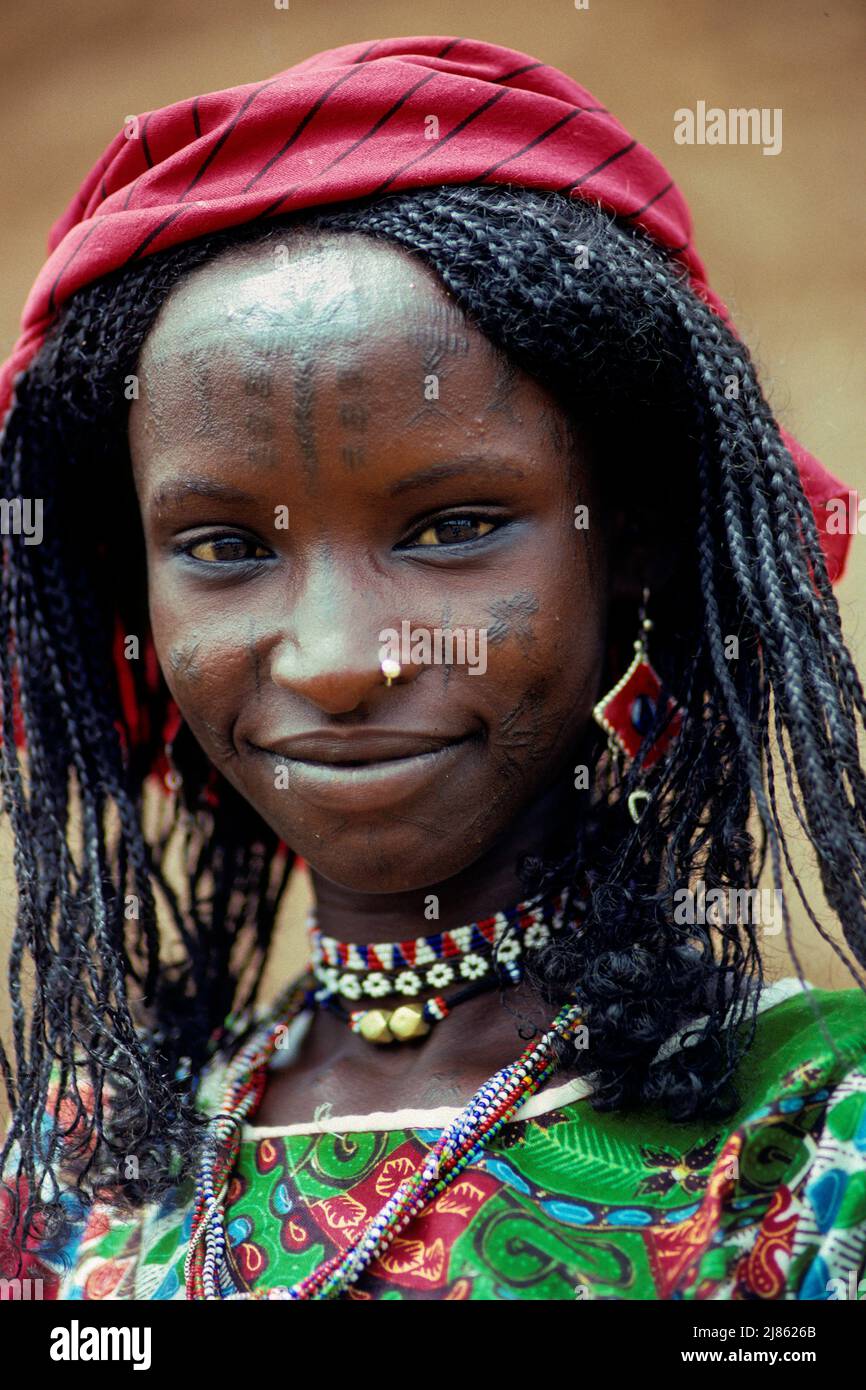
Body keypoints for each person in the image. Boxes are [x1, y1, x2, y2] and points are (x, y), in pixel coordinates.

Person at [1, 35, 865, 1302]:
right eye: (225, 546)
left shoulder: (808, 1146)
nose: (340, 659)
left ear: (624, 540)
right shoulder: (80, 1185)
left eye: (453, 527)